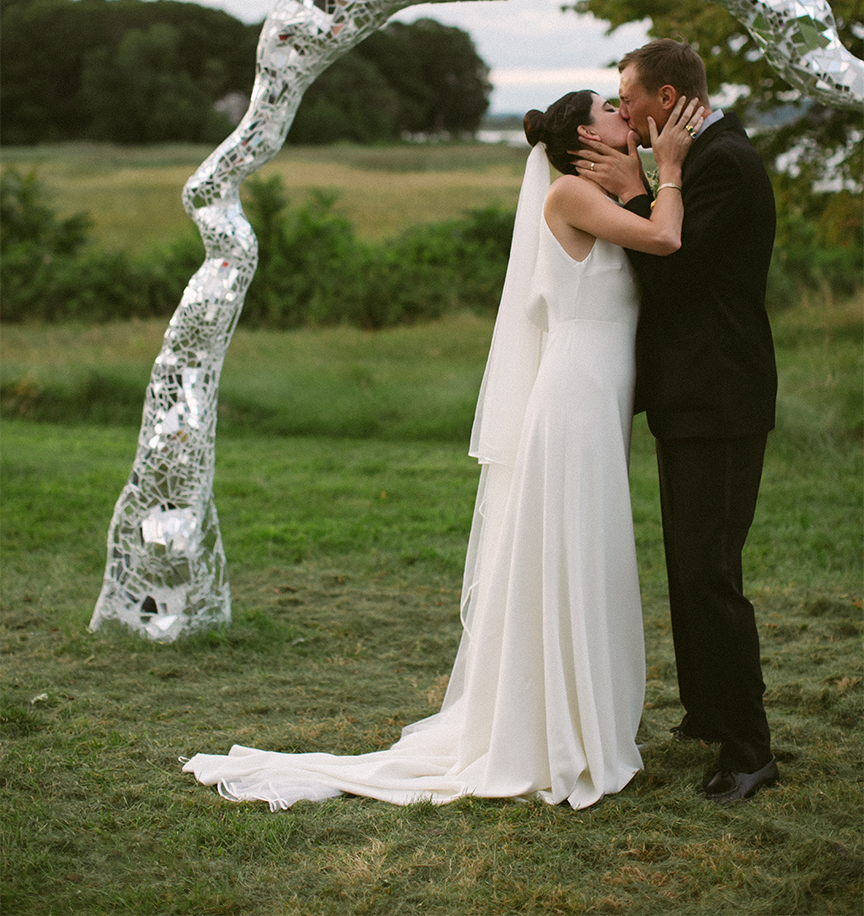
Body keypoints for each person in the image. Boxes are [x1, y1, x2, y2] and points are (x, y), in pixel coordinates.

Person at [183, 89, 702, 812]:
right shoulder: (570, 196)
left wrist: (640, 181)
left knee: (588, 547)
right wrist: (667, 170)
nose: (625, 113)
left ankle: (583, 718)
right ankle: (558, 733)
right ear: (585, 135)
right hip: (576, 396)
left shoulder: (605, 194)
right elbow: (667, 239)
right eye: (610, 110)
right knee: (573, 546)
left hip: (601, 398)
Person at [574, 39, 779, 805]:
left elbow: (674, 272)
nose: (623, 113)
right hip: (688, 398)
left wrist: (636, 187)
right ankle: (707, 713)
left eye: (627, 99)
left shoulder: (725, 162)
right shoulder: (698, 156)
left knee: (710, 574)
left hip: (721, 397)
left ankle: (750, 749)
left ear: (665, 99)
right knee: (688, 569)